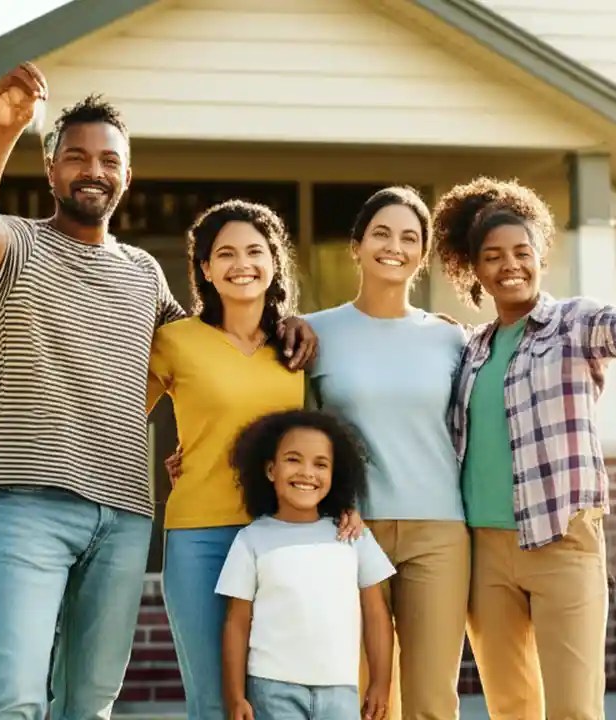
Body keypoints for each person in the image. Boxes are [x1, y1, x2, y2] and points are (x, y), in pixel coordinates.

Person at [0, 62, 316, 720]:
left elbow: (210, 355)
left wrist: (287, 323)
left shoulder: (144, 274)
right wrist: (4, 129)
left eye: (109, 159)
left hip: (124, 514)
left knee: (89, 704)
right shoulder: (17, 243)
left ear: (127, 176)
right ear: (52, 169)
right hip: (32, 501)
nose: (94, 170)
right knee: (16, 697)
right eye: (77, 157)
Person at [433, 176, 616, 720]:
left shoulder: (573, 322)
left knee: (574, 707)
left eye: (521, 252)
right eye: (492, 256)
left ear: (540, 256)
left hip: (563, 535)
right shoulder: (472, 347)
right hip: (485, 549)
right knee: (511, 705)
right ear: (475, 269)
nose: (509, 265)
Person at [149, 199, 362, 720]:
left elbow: (327, 437)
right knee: (214, 700)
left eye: (254, 251)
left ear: (274, 262)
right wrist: (169, 461)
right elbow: (119, 415)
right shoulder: (174, 342)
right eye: (224, 254)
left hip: (281, 539)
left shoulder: (297, 348)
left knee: (272, 698)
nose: (240, 263)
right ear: (204, 269)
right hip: (200, 536)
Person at [303, 186, 470, 720]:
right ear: (356, 245)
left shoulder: (451, 341)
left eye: (409, 237)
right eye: (381, 233)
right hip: (350, 530)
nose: (393, 246)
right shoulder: (314, 333)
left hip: (438, 532)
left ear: (422, 255)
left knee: (430, 698)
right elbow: (294, 430)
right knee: (356, 696)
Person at [217, 410, 394, 720]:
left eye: (320, 464)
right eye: (293, 459)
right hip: (271, 689)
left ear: (334, 474)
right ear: (271, 470)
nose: (307, 472)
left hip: (340, 690)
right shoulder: (251, 540)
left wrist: (381, 682)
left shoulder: (353, 535)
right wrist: (235, 697)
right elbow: (236, 622)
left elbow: (377, 613)